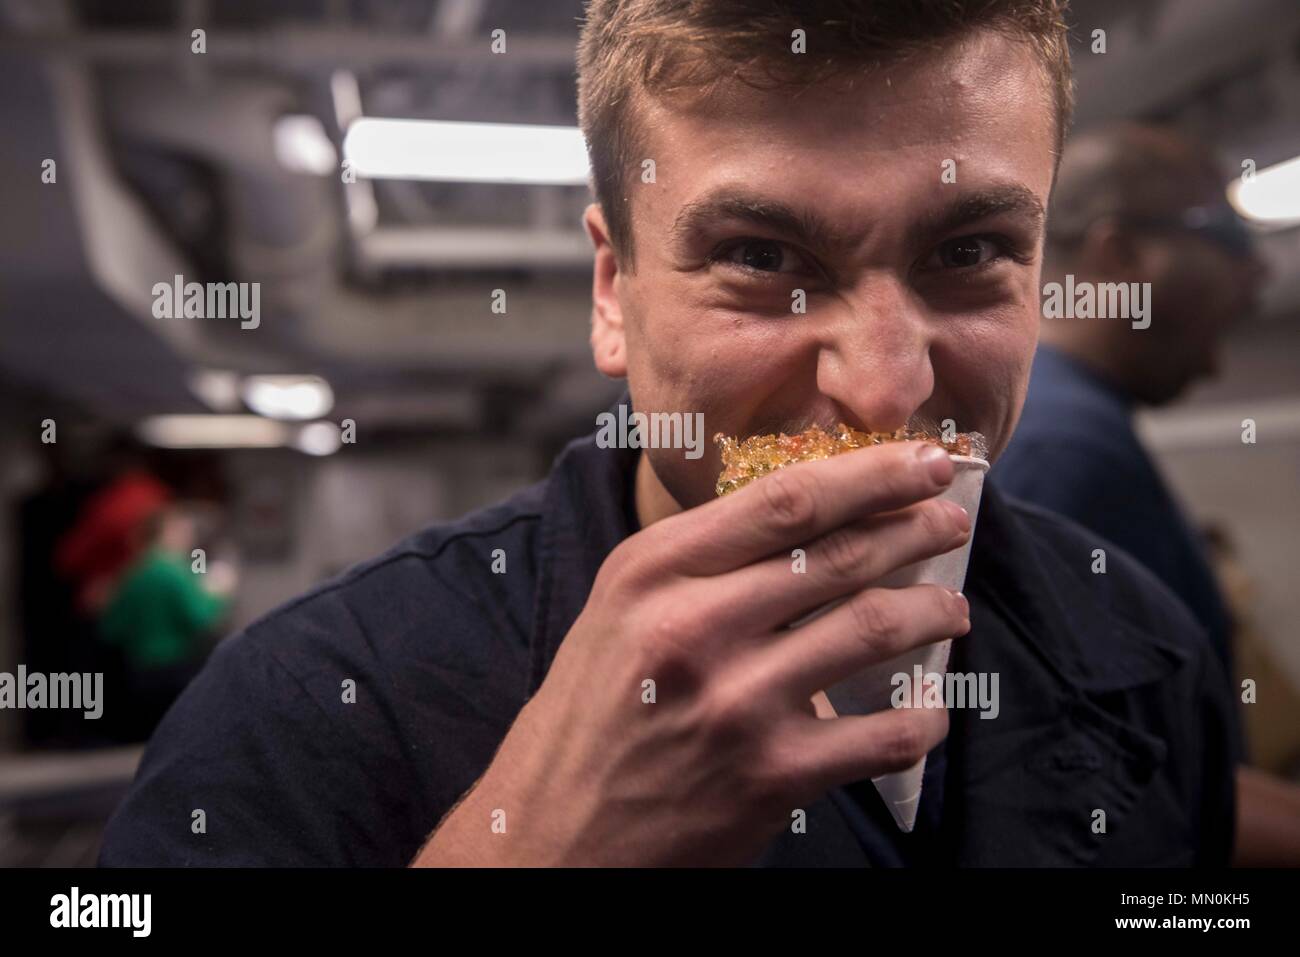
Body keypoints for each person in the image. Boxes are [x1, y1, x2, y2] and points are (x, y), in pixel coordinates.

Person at [99, 0, 1237, 867]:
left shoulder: (1143, 652)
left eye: (970, 251)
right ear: (613, 292)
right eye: (760, 259)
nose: (887, 390)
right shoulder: (303, 719)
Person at [993, 123, 1300, 865]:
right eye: (1226, 235)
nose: (1260, 272)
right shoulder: (1066, 449)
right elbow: (1087, 771)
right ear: (1120, 255)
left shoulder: (1068, 421)